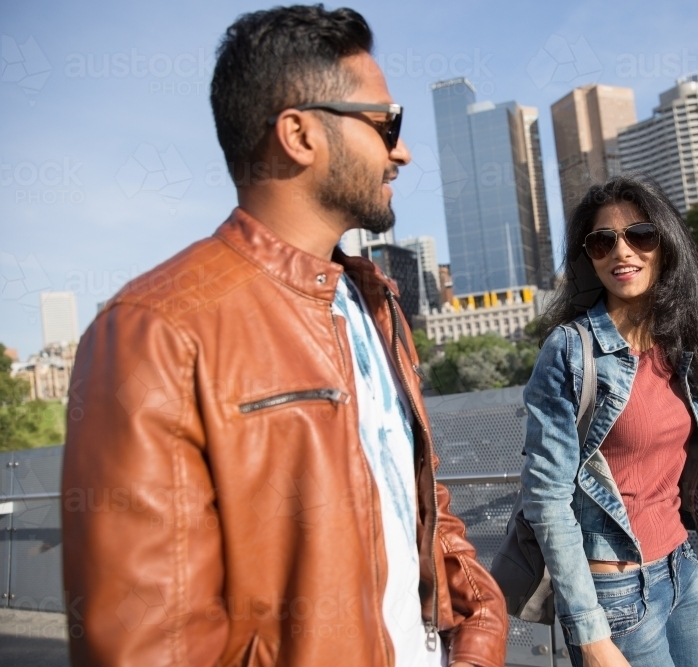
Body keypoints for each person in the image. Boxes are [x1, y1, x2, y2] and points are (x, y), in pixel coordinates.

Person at [62, 6, 507, 666]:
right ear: (299, 134)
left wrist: (478, 631)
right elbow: (147, 645)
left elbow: (424, 511)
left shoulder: (375, 303)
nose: (403, 151)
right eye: (387, 124)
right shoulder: (155, 332)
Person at [520, 175, 698, 667]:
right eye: (602, 241)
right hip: (614, 593)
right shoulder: (570, 351)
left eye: (640, 235)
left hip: (683, 570)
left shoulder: (680, 343)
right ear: (587, 257)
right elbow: (546, 500)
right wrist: (590, 634)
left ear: (666, 244)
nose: (622, 251)